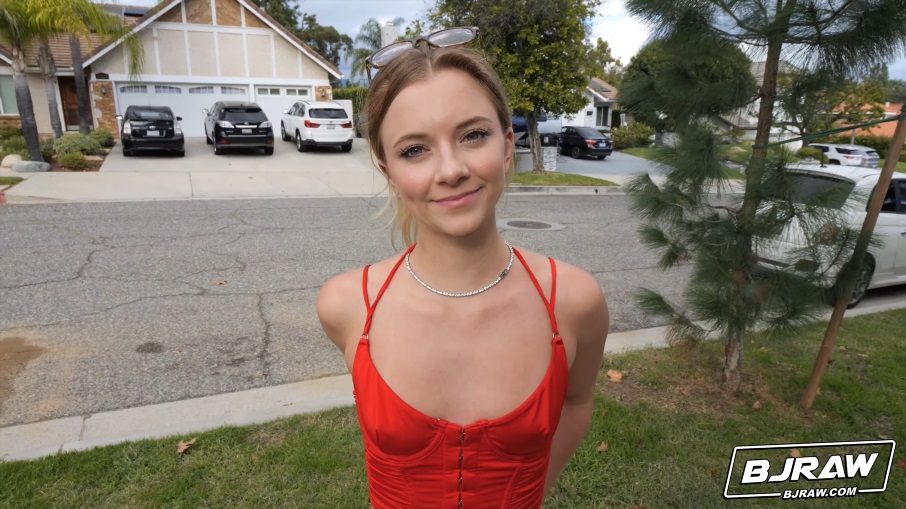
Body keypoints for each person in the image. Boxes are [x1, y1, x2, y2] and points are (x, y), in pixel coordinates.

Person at [316, 26, 609, 508]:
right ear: (389, 170)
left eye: (473, 135)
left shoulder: (574, 302)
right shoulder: (348, 306)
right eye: (414, 150)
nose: (451, 170)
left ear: (506, 144)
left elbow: (577, 402)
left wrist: (532, 491)